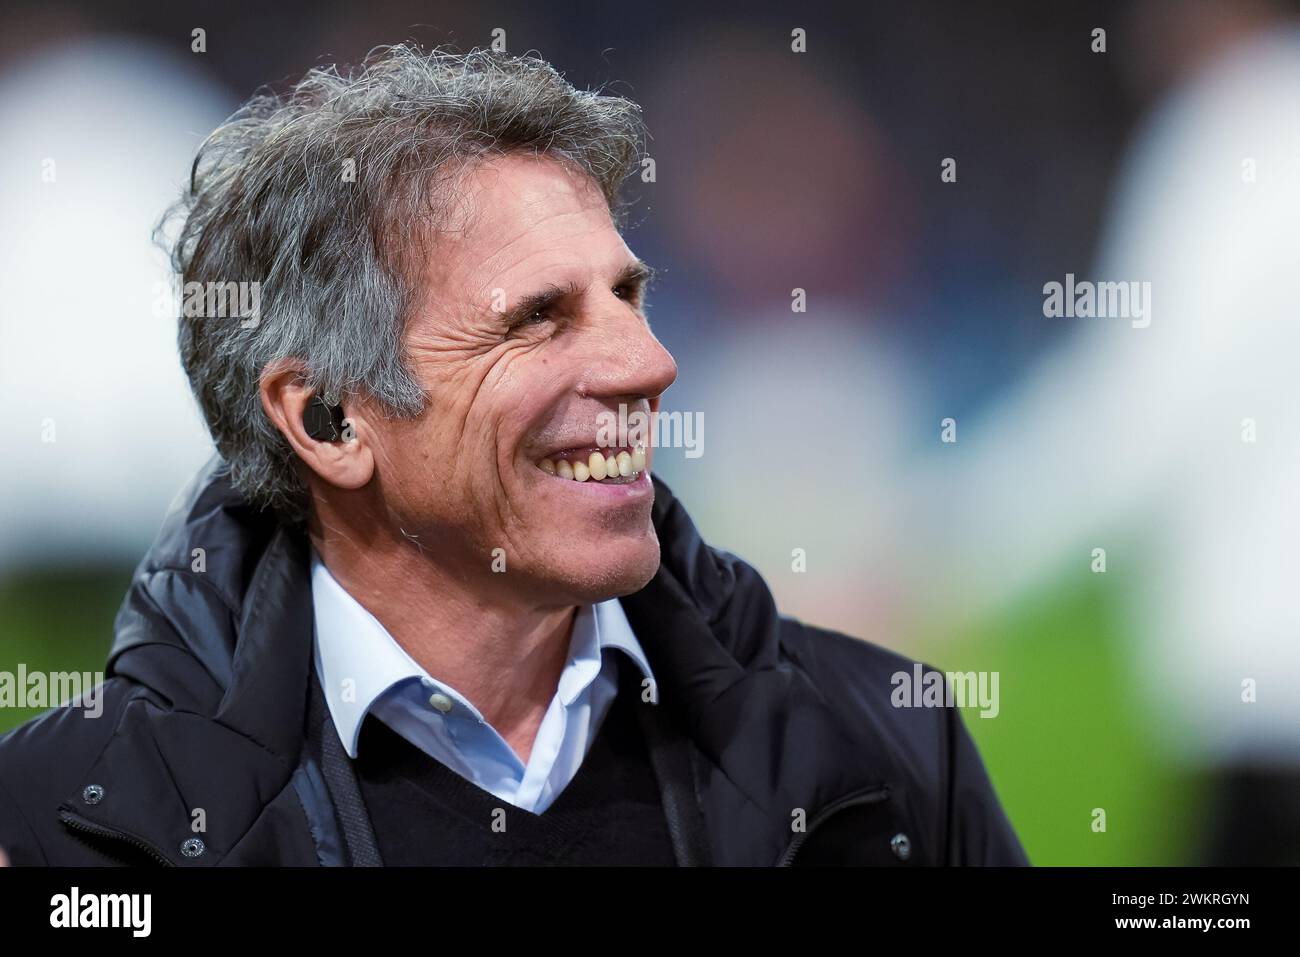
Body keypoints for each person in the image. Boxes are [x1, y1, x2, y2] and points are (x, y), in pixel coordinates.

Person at [0, 45, 1026, 867]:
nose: (651, 363)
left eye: (626, 296)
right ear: (326, 421)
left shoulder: (890, 749)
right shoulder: (70, 827)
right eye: (537, 320)